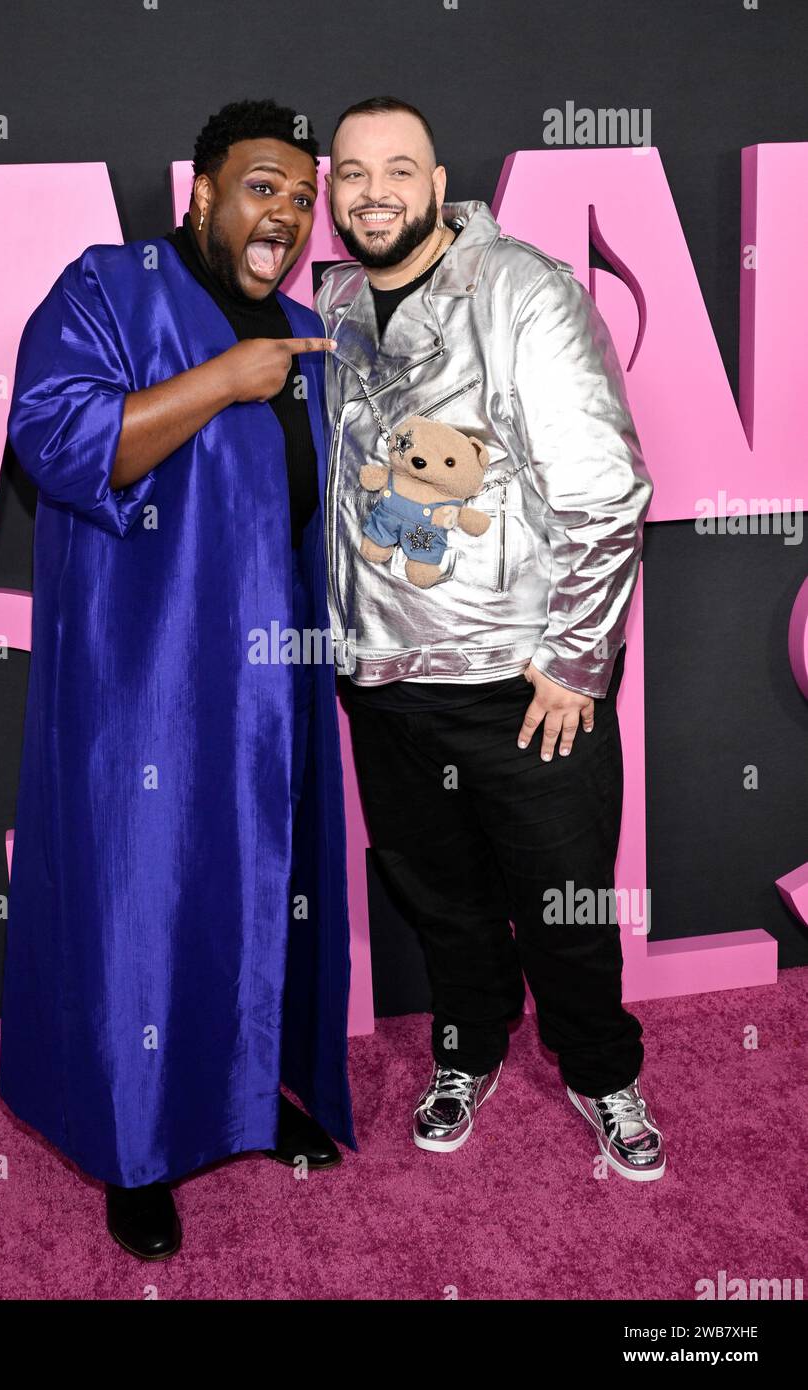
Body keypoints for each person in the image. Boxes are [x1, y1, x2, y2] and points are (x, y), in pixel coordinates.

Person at [0, 99, 355, 1262]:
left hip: (272, 676)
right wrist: (221, 381)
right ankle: (133, 1147)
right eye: (263, 185)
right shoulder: (107, 287)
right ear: (198, 193)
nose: (287, 213)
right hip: (143, 672)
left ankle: (251, 1105)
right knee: (142, 907)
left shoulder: (305, 328)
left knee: (259, 886)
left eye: (302, 196)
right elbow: (58, 444)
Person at [315, 96, 665, 1181]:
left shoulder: (522, 288)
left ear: (437, 178)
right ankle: (466, 1050)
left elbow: (607, 493)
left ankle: (602, 1072)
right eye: (353, 172)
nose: (375, 191)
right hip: (383, 678)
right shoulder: (325, 303)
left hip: (518, 684)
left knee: (562, 904)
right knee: (440, 900)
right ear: (334, 190)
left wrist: (573, 661)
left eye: (398, 169)